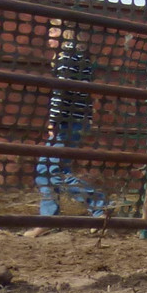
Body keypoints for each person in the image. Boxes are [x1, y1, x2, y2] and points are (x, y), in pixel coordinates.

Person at [36, 20, 108, 217]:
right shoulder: (81, 57)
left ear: (63, 33)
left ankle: (98, 204)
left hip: (65, 122)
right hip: (75, 122)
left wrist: (54, 121)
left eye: (52, 30)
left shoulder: (66, 57)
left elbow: (61, 93)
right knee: (57, 171)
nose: (48, 35)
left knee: (46, 170)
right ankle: (96, 208)